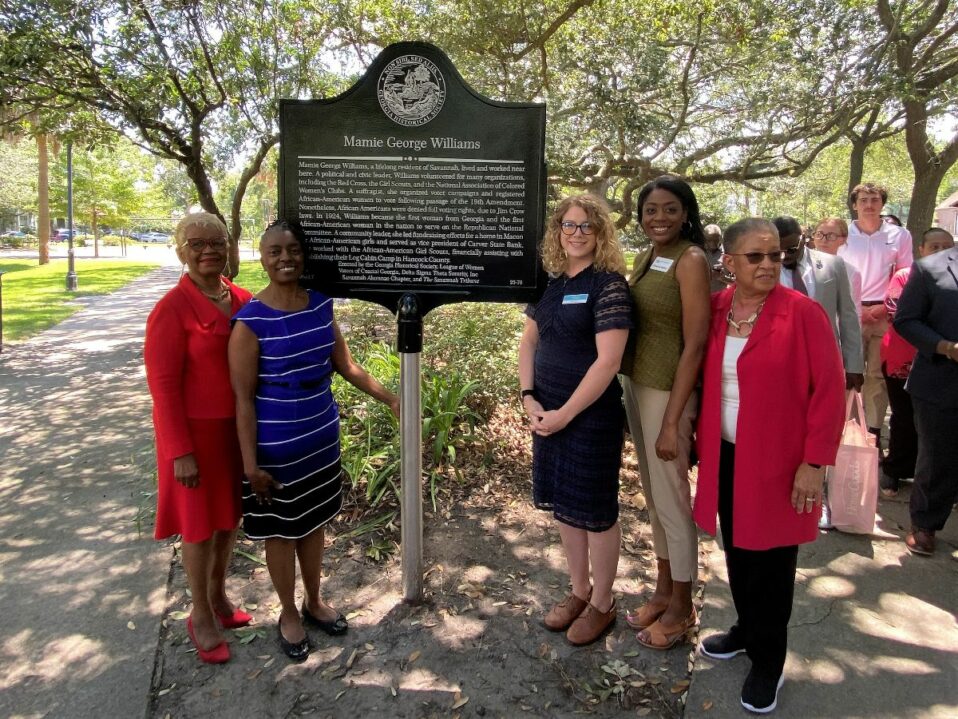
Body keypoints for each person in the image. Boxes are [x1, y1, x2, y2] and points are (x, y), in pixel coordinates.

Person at [229, 220, 399, 661]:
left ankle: (315, 600)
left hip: (321, 438)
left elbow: (348, 366)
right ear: (261, 258)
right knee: (282, 533)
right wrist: (250, 466)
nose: (285, 258)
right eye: (274, 251)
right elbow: (243, 402)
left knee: (314, 524)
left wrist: (392, 399)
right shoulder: (249, 322)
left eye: (293, 250)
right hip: (275, 450)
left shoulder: (321, 306)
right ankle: (287, 612)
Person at [693, 218, 845, 714]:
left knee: (774, 565)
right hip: (727, 453)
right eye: (754, 256)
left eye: (775, 255)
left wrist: (815, 463)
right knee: (738, 550)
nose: (767, 264)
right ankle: (744, 628)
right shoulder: (716, 309)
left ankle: (768, 660)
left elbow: (828, 392)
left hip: (782, 462)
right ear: (729, 262)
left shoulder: (803, 313)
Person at [518, 194, 632, 646]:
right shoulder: (550, 284)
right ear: (557, 230)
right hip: (547, 413)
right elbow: (529, 342)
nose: (576, 233)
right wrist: (530, 398)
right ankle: (579, 591)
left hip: (590, 417)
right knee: (566, 506)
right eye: (569, 225)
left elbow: (608, 362)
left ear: (600, 232)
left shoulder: (609, 286)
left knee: (596, 512)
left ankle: (603, 603)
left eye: (586, 226)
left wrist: (565, 414)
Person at [144, 211, 253, 664]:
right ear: (181, 251)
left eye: (217, 242)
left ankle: (220, 596)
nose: (209, 249)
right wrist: (179, 452)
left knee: (229, 521)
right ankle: (200, 613)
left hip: (238, 434)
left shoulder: (244, 300)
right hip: (195, 440)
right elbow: (162, 387)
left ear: (229, 247)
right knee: (198, 528)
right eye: (197, 243)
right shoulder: (171, 309)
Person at [619, 176, 710, 650]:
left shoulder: (692, 259)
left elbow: (695, 342)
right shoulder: (648, 256)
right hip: (636, 382)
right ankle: (662, 588)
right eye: (650, 210)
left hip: (668, 392)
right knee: (653, 493)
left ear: (686, 212)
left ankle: (683, 605)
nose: (659, 218)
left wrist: (674, 421)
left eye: (670, 209)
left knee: (673, 496)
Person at [893, 228, 958, 556]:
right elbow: (905, 320)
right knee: (937, 457)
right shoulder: (930, 268)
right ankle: (925, 525)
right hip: (940, 380)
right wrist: (945, 347)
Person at [879, 228, 956, 498]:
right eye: (934, 246)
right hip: (905, 359)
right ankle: (896, 470)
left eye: (947, 246)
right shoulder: (907, 275)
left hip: (943, 367)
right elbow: (898, 314)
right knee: (905, 420)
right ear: (920, 250)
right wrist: (943, 343)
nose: (941, 251)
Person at [838, 184, 913, 443]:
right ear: (854, 204)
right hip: (849, 312)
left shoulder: (899, 235)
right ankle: (848, 432)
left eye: (875, 199)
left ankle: (872, 433)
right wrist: (855, 308)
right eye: (863, 200)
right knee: (848, 372)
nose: (869, 205)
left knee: (876, 377)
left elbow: (906, 275)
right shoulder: (842, 234)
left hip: (883, 313)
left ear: (883, 203)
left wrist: (884, 306)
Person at [774, 216, 864, 390]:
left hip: (825, 358)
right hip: (781, 359)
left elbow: (848, 316)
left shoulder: (834, 265)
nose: (785, 255)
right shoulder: (766, 269)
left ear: (803, 238)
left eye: (791, 249)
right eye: (779, 250)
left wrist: (854, 365)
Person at [812, 218, 863, 316]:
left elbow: (855, 311)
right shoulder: (800, 267)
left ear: (843, 240)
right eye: (819, 234)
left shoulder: (851, 273)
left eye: (831, 236)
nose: (824, 240)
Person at [704, 223, 730, 292]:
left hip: (720, 299)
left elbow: (738, 283)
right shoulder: (698, 252)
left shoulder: (729, 253)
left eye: (716, 240)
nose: (713, 244)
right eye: (709, 240)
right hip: (700, 298)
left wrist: (722, 277)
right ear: (704, 238)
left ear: (721, 238)